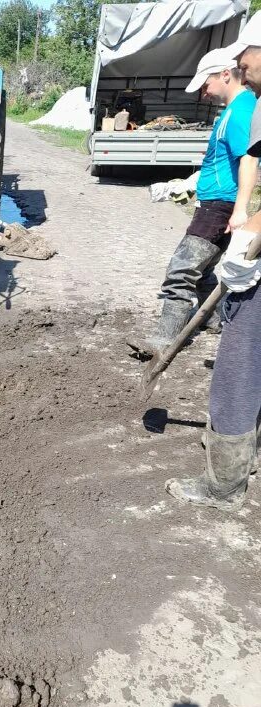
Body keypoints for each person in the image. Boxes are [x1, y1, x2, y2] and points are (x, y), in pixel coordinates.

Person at [166, 13, 261, 511]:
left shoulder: (248, 101)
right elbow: (252, 159)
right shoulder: (258, 103)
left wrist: (251, 237)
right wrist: (246, 216)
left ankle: (225, 485)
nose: (241, 65)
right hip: (245, 221)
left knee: (239, 360)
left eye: (246, 55)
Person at [128, 48, 258, 357]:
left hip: (220, 206)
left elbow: (249, 160)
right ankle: (215, 322)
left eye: (206, 85)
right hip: (214, 202)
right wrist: (191, 184)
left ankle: (163, 341)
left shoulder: (242, 110)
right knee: (204, 273)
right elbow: (224, 160)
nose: (203, 94)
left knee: (181, 271)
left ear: (226, 74)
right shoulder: (233, 110)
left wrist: (240, 209)